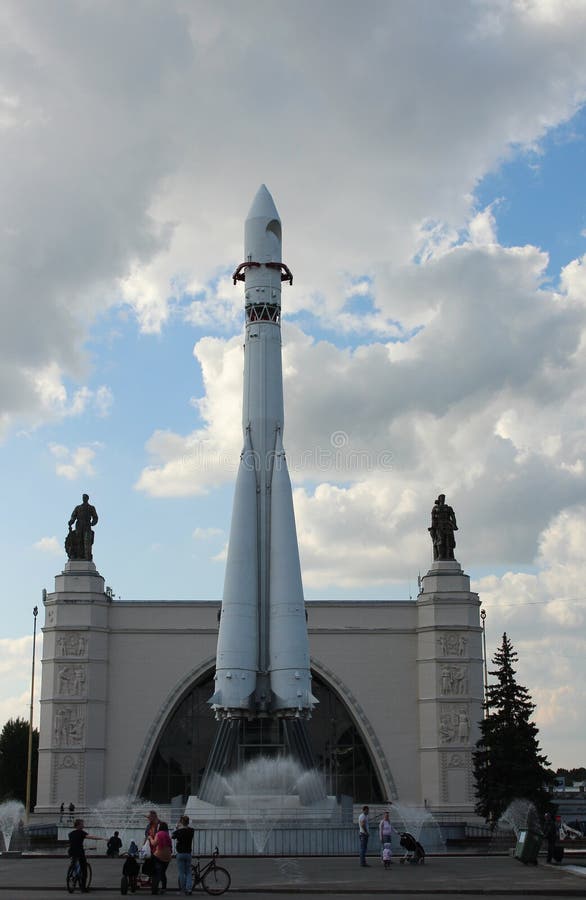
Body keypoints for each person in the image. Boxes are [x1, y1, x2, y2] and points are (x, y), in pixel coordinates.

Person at [68, 818, 103, 893]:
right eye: (82, 824)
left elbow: (75, 843)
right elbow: (91, 837)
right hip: (79, 852)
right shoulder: (81, 832)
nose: (83, 825)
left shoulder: (70, 833)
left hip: (71, 852)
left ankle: (72, 875)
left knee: (74, 864)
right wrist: (101, 838)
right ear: (79, 825)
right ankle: (83, 888)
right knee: (84, 870)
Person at [66, 494, 99, 561]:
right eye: (83, 498)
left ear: (87, 499)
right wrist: (71, 521)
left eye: (85, 498)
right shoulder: (78, 508)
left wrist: (93, 523)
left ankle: (87, 556)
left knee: (87, 541)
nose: (84, 499)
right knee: (78, 541)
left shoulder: (91, 508)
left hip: (87, 525)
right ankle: (78, 556)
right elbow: (73, 516)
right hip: (79, 526)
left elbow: (95, 517)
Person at [429, 494, 458, 560]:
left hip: (448, 525)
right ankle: (441, 555)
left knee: (449, 541)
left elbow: (453, 517)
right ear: (439, 499)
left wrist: (455, 524)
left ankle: (450, 556)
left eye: (444, 498)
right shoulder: (435, 508)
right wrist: (433, 527)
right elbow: (433, 519)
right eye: (441, 498)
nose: (443, 499)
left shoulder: (448, 508)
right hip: (439, 526)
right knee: (440, 540)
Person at [172, 815, 195, 895]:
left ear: (181, 822)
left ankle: (183, 890)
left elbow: (172, 836)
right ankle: (189, 889)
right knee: (188, 872)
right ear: (188, 822)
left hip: (180, 853)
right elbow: (188, 829)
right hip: (188, 853)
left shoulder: (179, 831)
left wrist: (176, 827)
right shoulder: (191, 830)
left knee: (182, 873)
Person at [151, 821, 172, 895]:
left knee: (156, 870)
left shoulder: (158, 834)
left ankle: (154, 883)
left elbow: (154, 843)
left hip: (159, 856)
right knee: (163, 873)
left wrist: (150, 838)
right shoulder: (167, 835)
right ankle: (163, 888)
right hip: (168, 857)